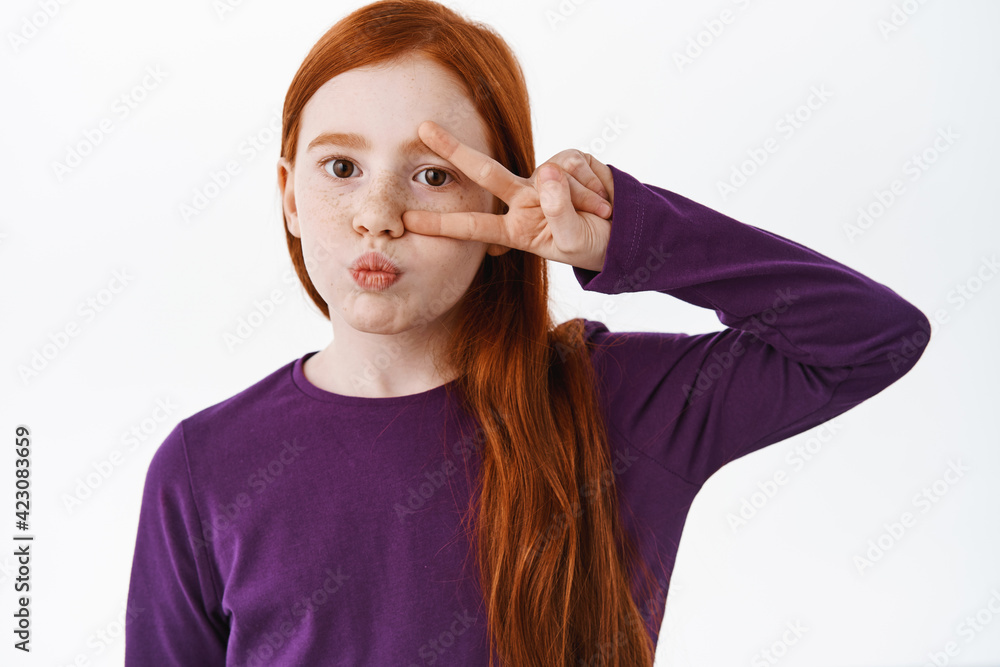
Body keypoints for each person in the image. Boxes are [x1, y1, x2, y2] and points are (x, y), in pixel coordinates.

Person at [124, 1, 931, 665]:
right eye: (340, 168)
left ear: (503, 212)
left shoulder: (613, 404)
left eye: (433, 175)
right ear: (289, 195)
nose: (377, 215)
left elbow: (872, 336)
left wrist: (629, 236)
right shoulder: (202, 468)